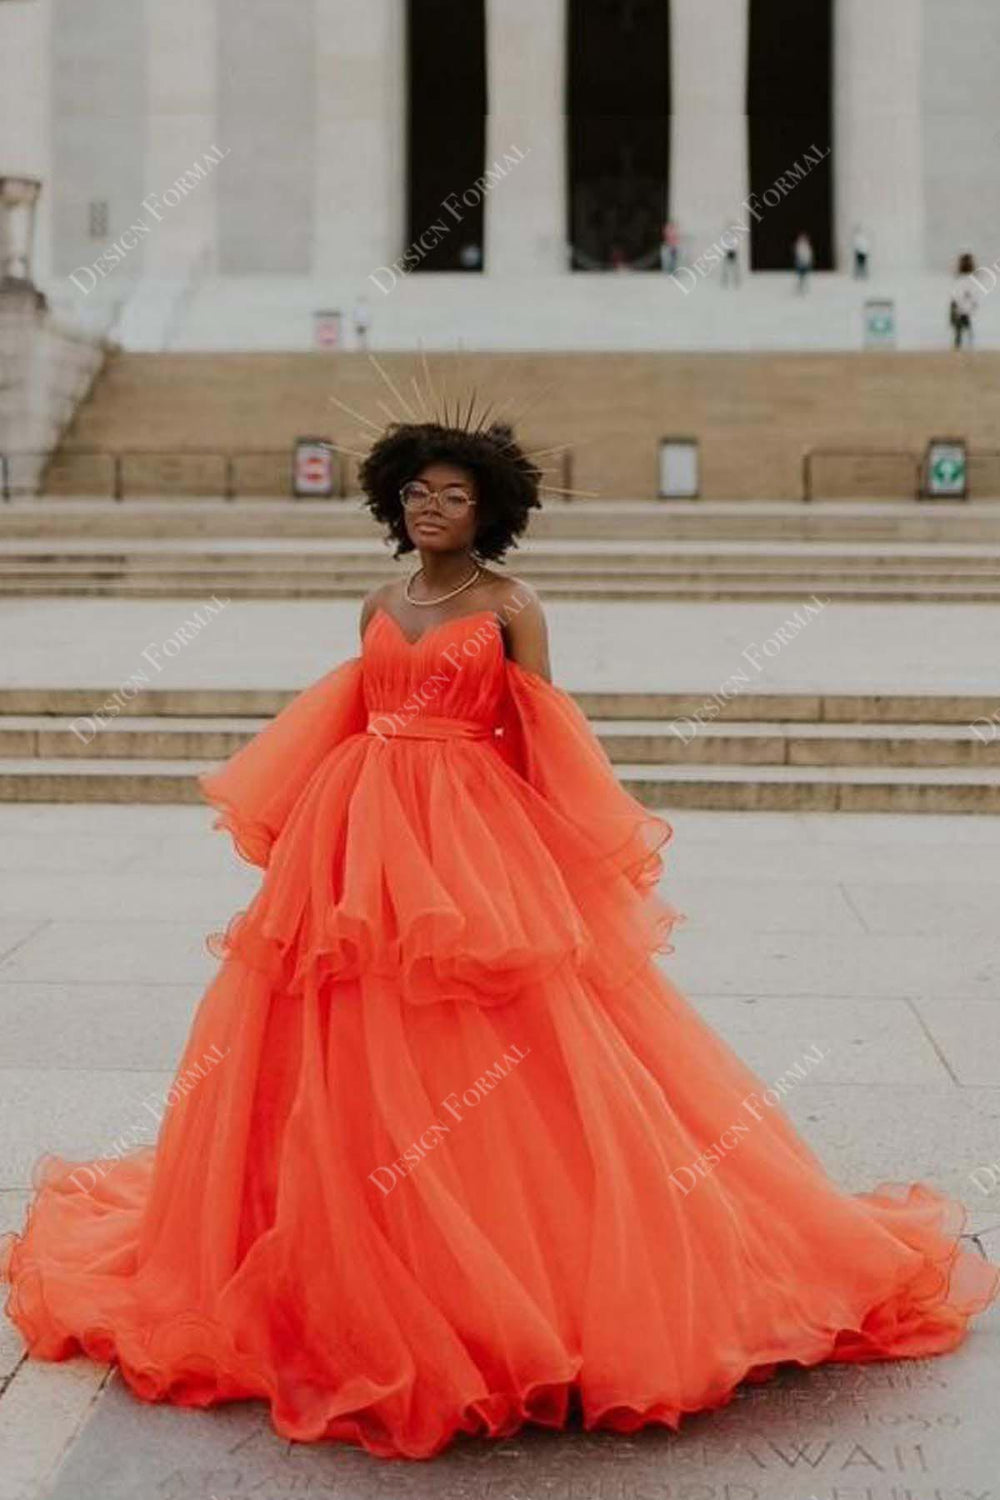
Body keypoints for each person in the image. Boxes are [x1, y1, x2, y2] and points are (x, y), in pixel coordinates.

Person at [1, 415, 996, 1461]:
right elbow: (350, 715)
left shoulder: (511, 606)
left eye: (451, 496)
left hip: (470, 832)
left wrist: (552, 862)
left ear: (491, 511)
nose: (429, 510)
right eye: (416, 494)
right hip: (364, 828)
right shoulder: (380, 602)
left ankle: (506, 1263)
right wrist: (314, 834)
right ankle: (352, 1238)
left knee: (494, 1031)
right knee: (346, 1022)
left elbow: (544, 735)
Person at [951, 251, 978, 348]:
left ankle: (964, 346)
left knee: (962, 329)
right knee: (962, 329)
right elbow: (960, 293)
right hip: (961, 306)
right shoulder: (964, 279)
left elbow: (963, 293)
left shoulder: (965, 278)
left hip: (961, 306)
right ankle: (964, 346)